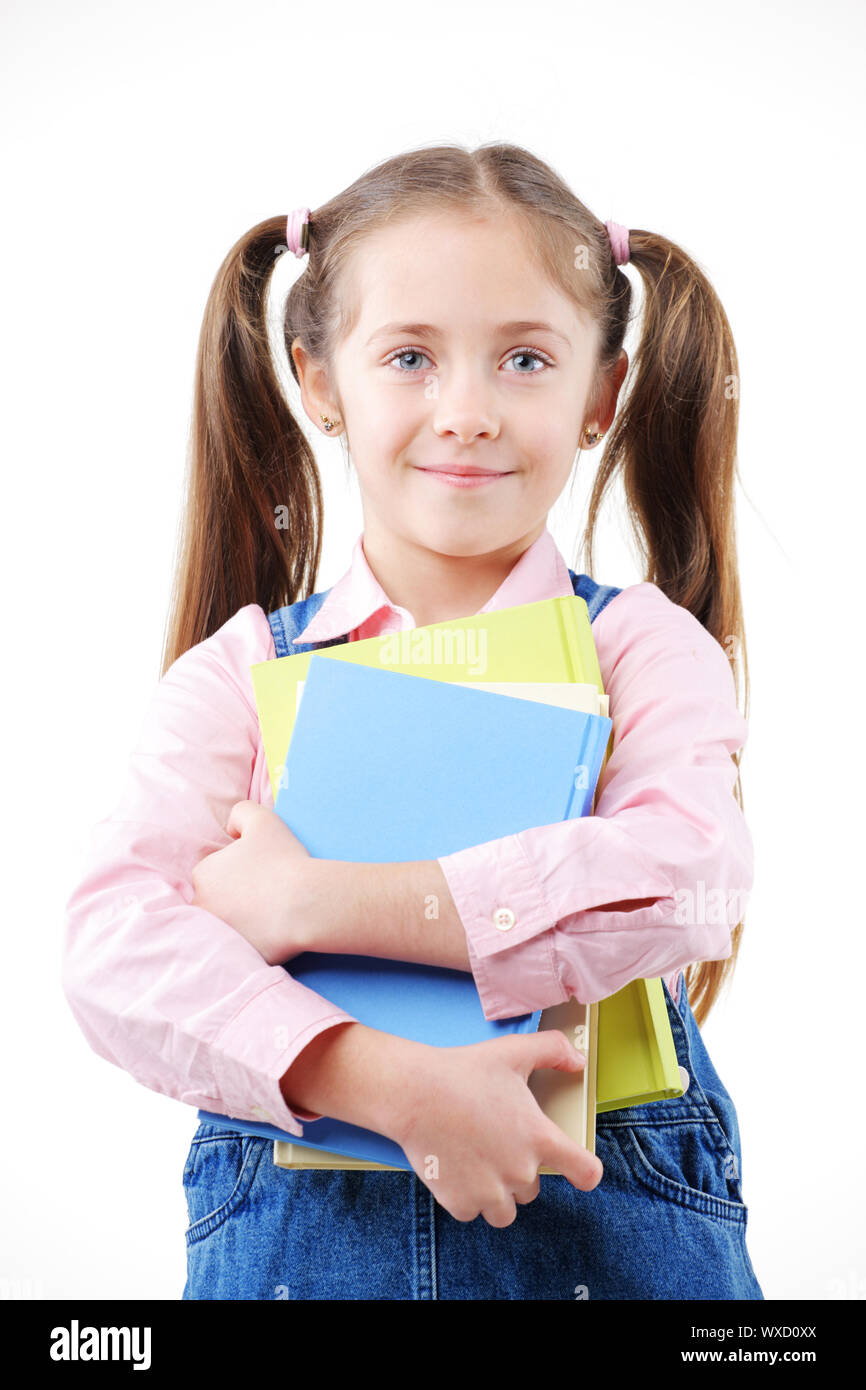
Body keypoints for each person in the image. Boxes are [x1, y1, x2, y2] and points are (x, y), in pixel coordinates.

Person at [62, 141, 764, 1300]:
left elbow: (689, 872)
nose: (468, 413)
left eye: (525, 359)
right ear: (319, 381)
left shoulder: (638, 648)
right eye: (408, 358)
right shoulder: (242, 673)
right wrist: (380, 1080)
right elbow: (111, 945)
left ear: (600, 394)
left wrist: (313, 902)